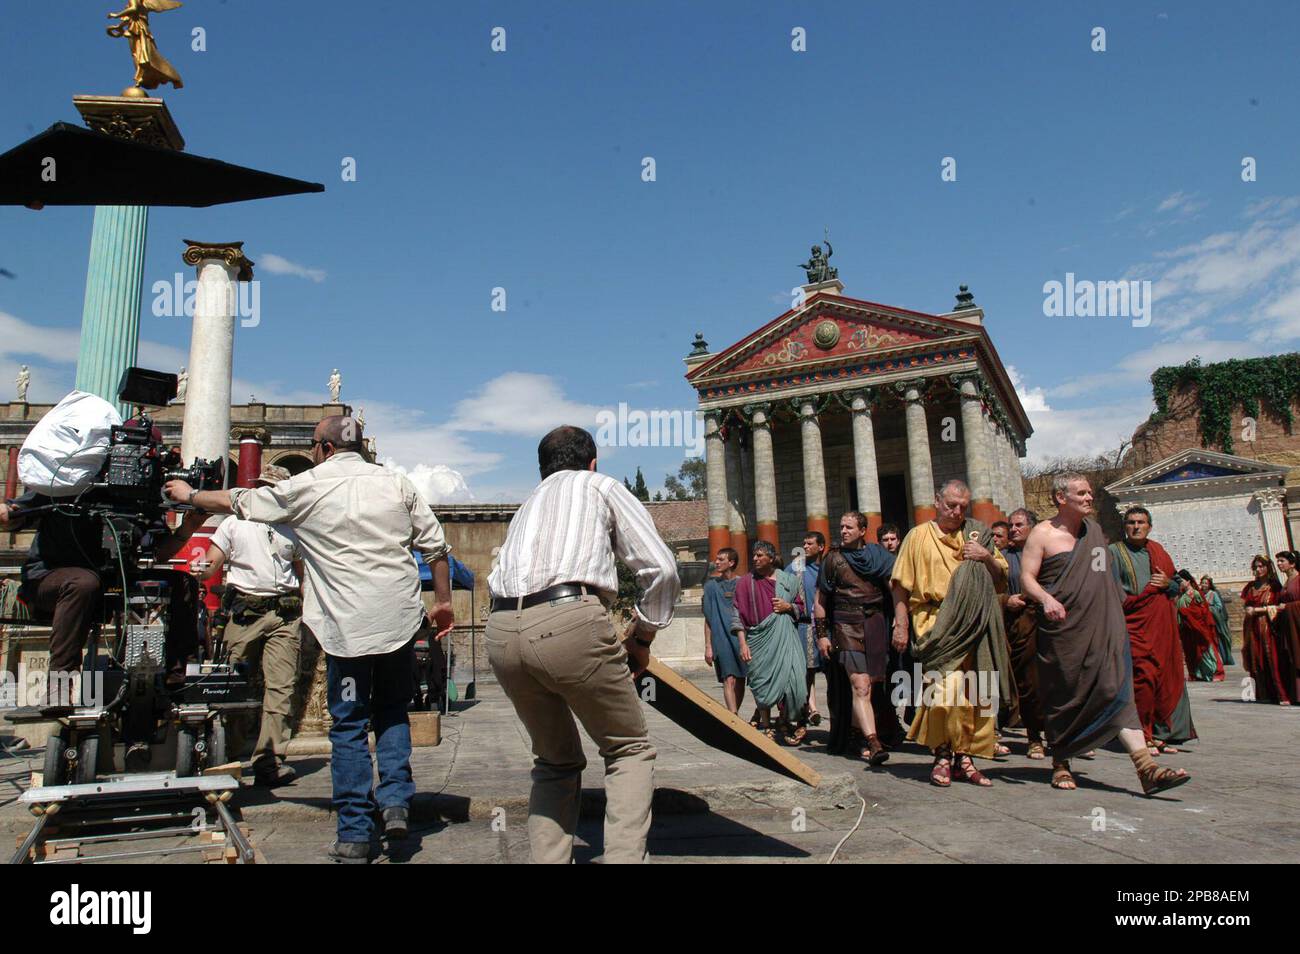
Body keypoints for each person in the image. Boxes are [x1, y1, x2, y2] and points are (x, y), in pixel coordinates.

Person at [165, 415, 455, 864]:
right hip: (398, 621)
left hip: (345, 628)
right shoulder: (397, 485)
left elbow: (242, 501)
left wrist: (190, 496)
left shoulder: (308, 487)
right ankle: (396, 802)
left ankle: (356, 834)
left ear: (322, 448)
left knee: (349, 725)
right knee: (393, 710)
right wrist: (443, 603)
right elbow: (436, 547)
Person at [484, 426, 679, 864]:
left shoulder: (527, 505)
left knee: (554, 760)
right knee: (628, 747)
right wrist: (642, 635)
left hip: (499, 630)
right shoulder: (601, 486)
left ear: (542, 469)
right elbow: (662, 569)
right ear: (593, 462)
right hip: (568, 619)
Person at [1019, 474, 1189, 795]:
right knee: (1063, 695)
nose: (1088, 498)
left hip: (1103, 628)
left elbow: (1103, 579)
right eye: (1081, 493)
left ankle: (1146, 768)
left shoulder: (1094, 532)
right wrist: (1046, 598)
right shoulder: (1042, 534)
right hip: (1063, 633)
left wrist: (1114, 616)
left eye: (1089, 493)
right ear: (1061, 497)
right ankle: (1061, 762)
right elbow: (1027, 579)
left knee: (1116, 690)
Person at [1, 448, 206, 708]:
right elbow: (17, 513)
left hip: (114, 577)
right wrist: (8, 513)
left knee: (182, 583)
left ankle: (177, 679)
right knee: (84, 582)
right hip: (53, 577)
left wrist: (188, 529)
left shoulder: (143, 493)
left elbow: (158, 552)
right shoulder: (70, 479)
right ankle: (60, 683)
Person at [891, 480, 1012, 788]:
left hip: (974, 620)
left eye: (962, 506)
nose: (957, 512)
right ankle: (942, 753)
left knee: (974, 692)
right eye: (951, 505)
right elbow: (900, 586)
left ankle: (963, 757)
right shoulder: (918, 536)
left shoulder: (976, 534)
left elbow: (1001, 578)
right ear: (936, 501)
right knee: (943, 693)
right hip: (934, 622)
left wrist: (985, 555)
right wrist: (901, 624)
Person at [192, 464, 303, 786]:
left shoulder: (291, 528)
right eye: (264, 486)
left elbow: (301, 573)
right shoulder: (232, 524)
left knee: (281, 688)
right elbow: (213, 559)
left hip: (283, 614)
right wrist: (203, 569)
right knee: (230, 684)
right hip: (245, 613)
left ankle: (269, 759)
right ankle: (230, 754)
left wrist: (308, 610)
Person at [1109, 506, 1196, 755]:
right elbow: (1108, 586)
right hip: (1133, 623)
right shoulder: (1114, 552)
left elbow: (1177, 584)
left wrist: (1168, 583)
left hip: (1161, 624)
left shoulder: (1158, 550)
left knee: (1163, 674)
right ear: (1124, 526)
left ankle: (1160, 732)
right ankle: (1141, 733)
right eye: (1131, 522)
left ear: (1149, 526)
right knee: (1142, 677)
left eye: (1141, 522)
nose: (1136, 526)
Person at [816, 512, 897, 764]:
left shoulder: (878, 556)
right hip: (845, 626)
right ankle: (872, 743)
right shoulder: (833, 558)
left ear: (863, 530)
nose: (843, 531)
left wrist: (899, 620)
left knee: (870, 686)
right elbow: (820, 601)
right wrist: (821, 635)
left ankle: (854, 735)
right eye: (841, 527)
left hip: (874, 624)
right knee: (860, 685)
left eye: (849, 527)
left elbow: (894, 587)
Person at [732, 540, 806, 743]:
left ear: (771, 558)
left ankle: (783, 720)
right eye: (754, 555)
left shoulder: (789, 581)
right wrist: (743, 643)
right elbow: (737, 615)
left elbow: (802, 608)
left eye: (760, 555)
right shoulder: (745, 583)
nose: (755, 559)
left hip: (786, 638)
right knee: (761, 683)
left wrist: (788, 606)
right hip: (758, 638)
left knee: (795, 683)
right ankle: (766, 725)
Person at [1002, 507, 1047, 759]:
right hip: (1019, 622)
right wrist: (1006, 600)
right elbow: (994, 588)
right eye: (1011, 525)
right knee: (1028, 683)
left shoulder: (1047, 552)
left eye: (1019, 525)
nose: (1013, 529)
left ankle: (1062, 734)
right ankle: (1033, 737)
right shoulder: (1003, 557)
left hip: (1048, 619)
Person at [1241, 555, 1297, 705]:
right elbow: (1246, 603)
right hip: (1253, 627)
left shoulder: (1274, 586)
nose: (1258, 570)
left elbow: (1279, 607)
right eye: (1255, 567)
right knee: (1256, 658)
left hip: (1269, 625)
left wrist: (1258, 609)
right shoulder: (1251, 586)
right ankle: (1263, 693)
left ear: (1267, 567)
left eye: (1261, 566)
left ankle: (1281, 694)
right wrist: (1248, 609)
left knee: (1272, 657)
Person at [703, 547, 746, 714]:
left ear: (731, 562)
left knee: (741, 677)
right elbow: (708, 618)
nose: (717, 562)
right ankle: (732, 716)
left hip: (741, 638)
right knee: (728, 678)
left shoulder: (742, 583)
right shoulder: (711, 586)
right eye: (717, 559)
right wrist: (708, 645)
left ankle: (735, 714)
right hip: (720, 638)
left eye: (721, 559)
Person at [797, 532, 826, 728]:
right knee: (807, 670)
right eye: (804, 543)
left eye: (810, 544)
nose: (805, 547)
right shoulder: (796, 569)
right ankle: (807, 708)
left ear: (821, 547)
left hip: (829, 627)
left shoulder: (829, 567)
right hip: (806, 626)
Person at [1176, 570, 1224, 682]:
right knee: (1192, 651)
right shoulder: (1182, 596)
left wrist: (1186, 612)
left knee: (1206, 650)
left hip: (1198, 627)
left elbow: (1202, 611)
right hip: (1188, 629)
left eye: (1181, 581)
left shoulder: (1196, 594)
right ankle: (1198, 673)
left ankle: (1216, 672)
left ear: (1188, 581)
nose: (1180, 583)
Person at [1199, 576, 1235, 667]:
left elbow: (1219, 606)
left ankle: (1222, 658)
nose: (1204, 585)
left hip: (1214, 621)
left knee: (1217, 639)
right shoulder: (1200, 594)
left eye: (1206, 583)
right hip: (1204, 621)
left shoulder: (1213, 594)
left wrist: (1210, 609)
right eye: (1203, 583)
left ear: (1209, 585)